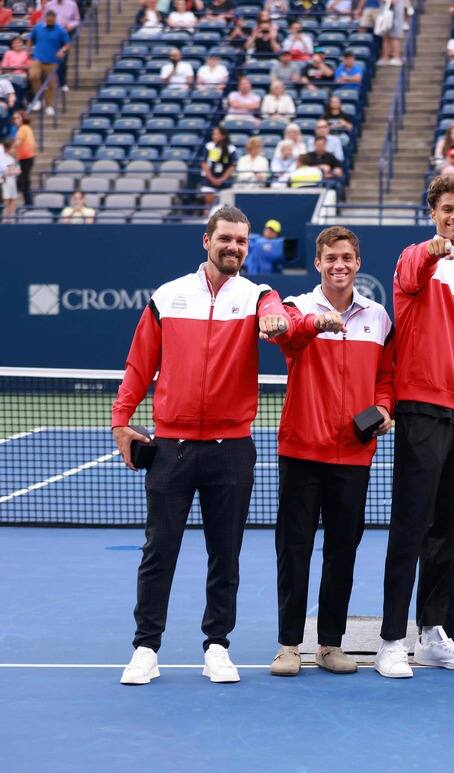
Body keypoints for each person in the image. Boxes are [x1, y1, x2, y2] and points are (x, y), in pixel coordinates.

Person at [112, 206, 290, 686]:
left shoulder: (257, 296)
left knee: (224, 554)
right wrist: (120, 422)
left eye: (242, 241)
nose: (234, 247)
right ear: (206, 240)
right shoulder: (169, 297)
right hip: (171, 448)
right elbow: (138, 364)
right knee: (158, 552)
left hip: (231, 450)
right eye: (226, 238)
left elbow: (276, 312)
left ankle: (217, 646)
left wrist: (274, 317)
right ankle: (146, 648)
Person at [377, 176, 454, 679]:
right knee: (410, 527)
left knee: (449, 532)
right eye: (447, 209)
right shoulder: (415, 262)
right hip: (423, 407)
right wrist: (434, 248)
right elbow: (412, 269)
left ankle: (431, 633)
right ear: (434, 213)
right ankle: (389, 640)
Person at [266, 226, 394, 677]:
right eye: (330, 258)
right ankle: (287, 646)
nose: (339, 265)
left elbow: (386, 376)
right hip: (301, 450)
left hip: (354, 456)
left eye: (346, 257)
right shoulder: (298, 308)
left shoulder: (378, 317)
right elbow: (286, 338)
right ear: (318, 263)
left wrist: (383, 406)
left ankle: (330, 644)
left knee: (343, 551)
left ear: (357, 263)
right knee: (294, 550)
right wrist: (315, 323)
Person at [28, 10, 70, 115]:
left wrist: (62, 50)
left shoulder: (60, 30)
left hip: (52, 60)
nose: (51, 21)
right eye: (49, 19)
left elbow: (68, 44)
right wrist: (28, 49)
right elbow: (31, 39)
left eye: (53, 20)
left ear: (55, 19)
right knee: (33, 76)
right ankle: (38, 99)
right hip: (38, 58)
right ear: (46, 18)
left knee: (52, 84)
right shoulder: (38, 28)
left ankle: (49, 105)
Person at [201, 125, 237, 209]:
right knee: (208, 204)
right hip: (209, 180)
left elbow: (232, 166)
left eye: (216, 134)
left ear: (223, 136)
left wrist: (222, 179)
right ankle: (207, 219)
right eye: (213, 134)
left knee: (225, 206)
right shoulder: (209, 146)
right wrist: (212, 179)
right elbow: (204, 164)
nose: (214, 136)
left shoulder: (231, 148)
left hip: (225, 181)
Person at [11, 110, 36, 206]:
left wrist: (9, 150)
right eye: (14, 118)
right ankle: (28, 203)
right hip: (27, 158)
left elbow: (18, 143)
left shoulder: (22, 129)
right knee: (24, 181)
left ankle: (28, 204)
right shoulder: (27, 128)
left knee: (23, 182)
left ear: (23, 118)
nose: (15, 120)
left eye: (17, 118)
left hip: (26, 158)